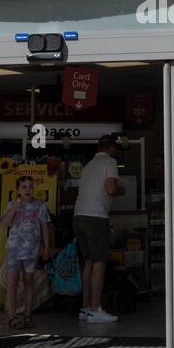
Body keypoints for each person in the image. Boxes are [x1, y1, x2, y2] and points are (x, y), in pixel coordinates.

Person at [73, 134, 124, 323]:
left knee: (88, 262)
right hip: (96, 217)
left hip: (79, 216)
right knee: (100, 262)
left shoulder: (88, 166)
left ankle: (85, 309)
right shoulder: (109, 162)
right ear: (110, 148)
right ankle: (96, 309)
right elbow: (111, 189)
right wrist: (121, 190)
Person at [3, 175, 52, 329]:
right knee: (13, 282)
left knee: (28, 282)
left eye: (30, 186)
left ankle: (27, 314)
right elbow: (4, 224)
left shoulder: (40, 206)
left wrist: (46, 247)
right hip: (14, 250)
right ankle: (12, 316)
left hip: (31, 250)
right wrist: (14, 209)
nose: (28, 190)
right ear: (18, 190)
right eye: (24, 187)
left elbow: (45, 226)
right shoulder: (12, 205)